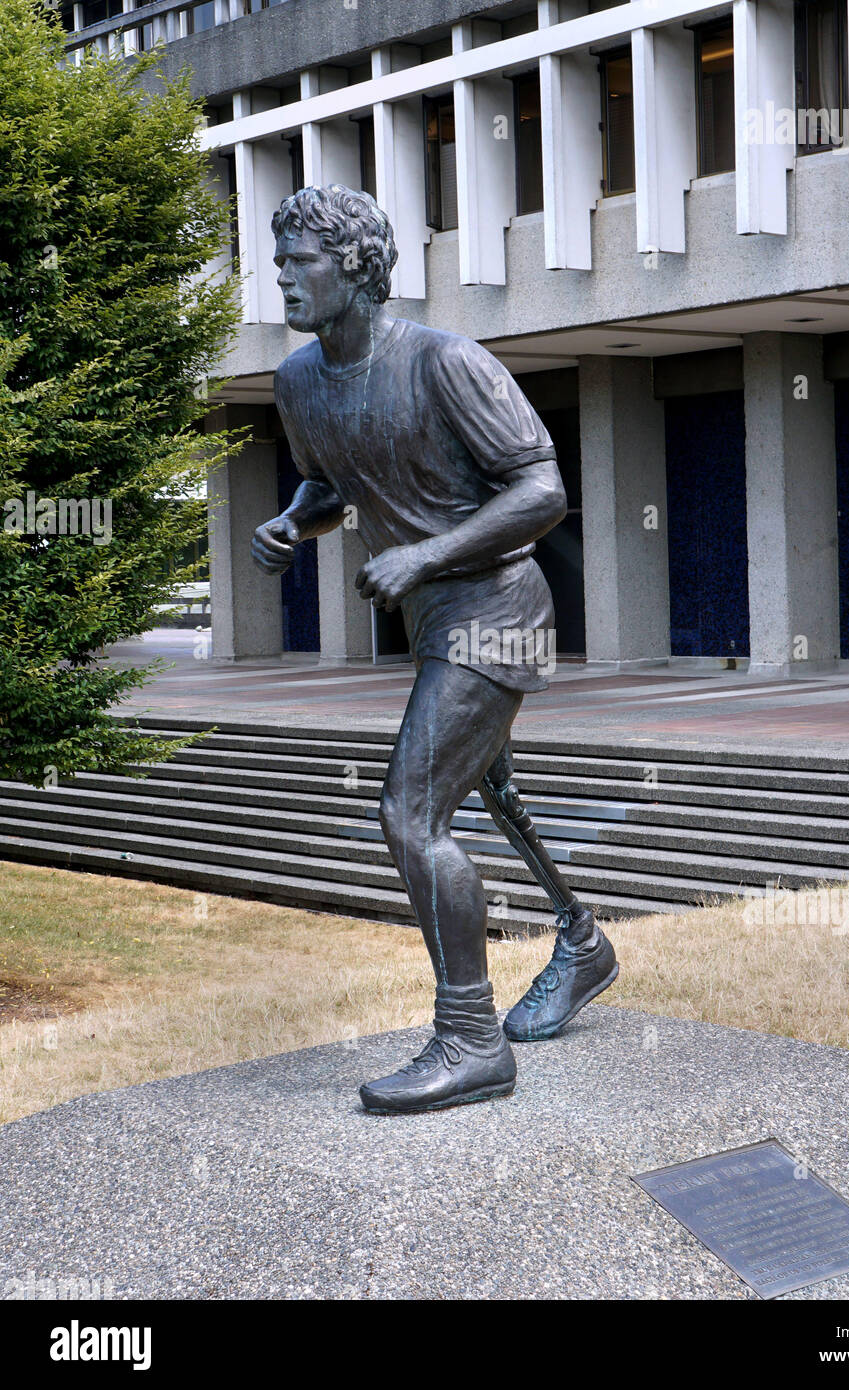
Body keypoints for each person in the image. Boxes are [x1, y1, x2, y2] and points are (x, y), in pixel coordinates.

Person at [251, 185, 618, 1114]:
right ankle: (579, 938)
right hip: (432, 613)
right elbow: (330, 485)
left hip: (496, 604)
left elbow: (541, 492)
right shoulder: (297, 381)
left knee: (411, 811)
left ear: (360, 266)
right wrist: (294, 522)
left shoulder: (449, 361)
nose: (283, 276)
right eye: (280, 258)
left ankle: (470, 1039)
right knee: (486, 788)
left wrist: (424, 554)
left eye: (302, 260)